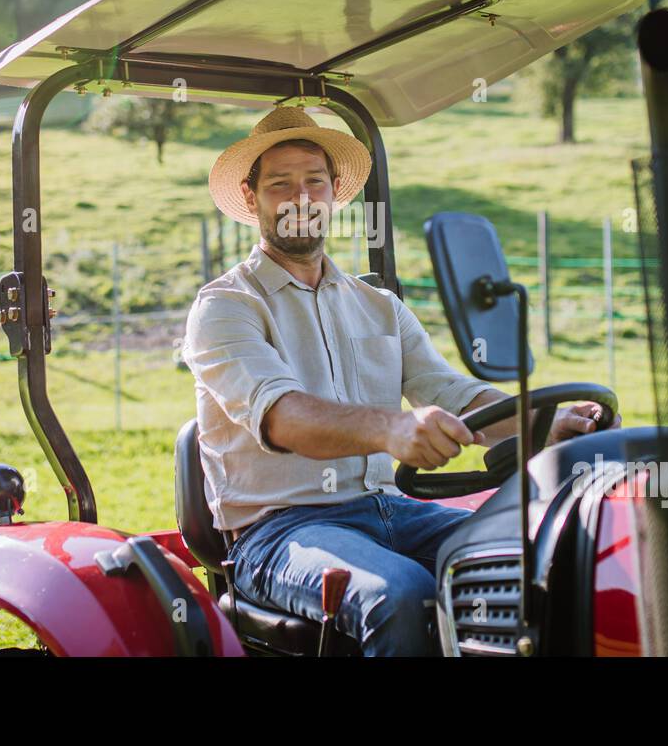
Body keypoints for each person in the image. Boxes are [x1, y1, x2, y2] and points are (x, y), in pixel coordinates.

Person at [182, 105, 613, 655]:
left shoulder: (378, 306)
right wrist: (391, 430)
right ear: (251, 198)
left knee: (539, 560)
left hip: (393, 509)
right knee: (402, 593)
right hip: (280, 532)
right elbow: (284, 417)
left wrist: (547, 423)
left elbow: (449, 391)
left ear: (335, 191)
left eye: (315, 181)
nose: (301, 198)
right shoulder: (226, 307)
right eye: (280, 184)